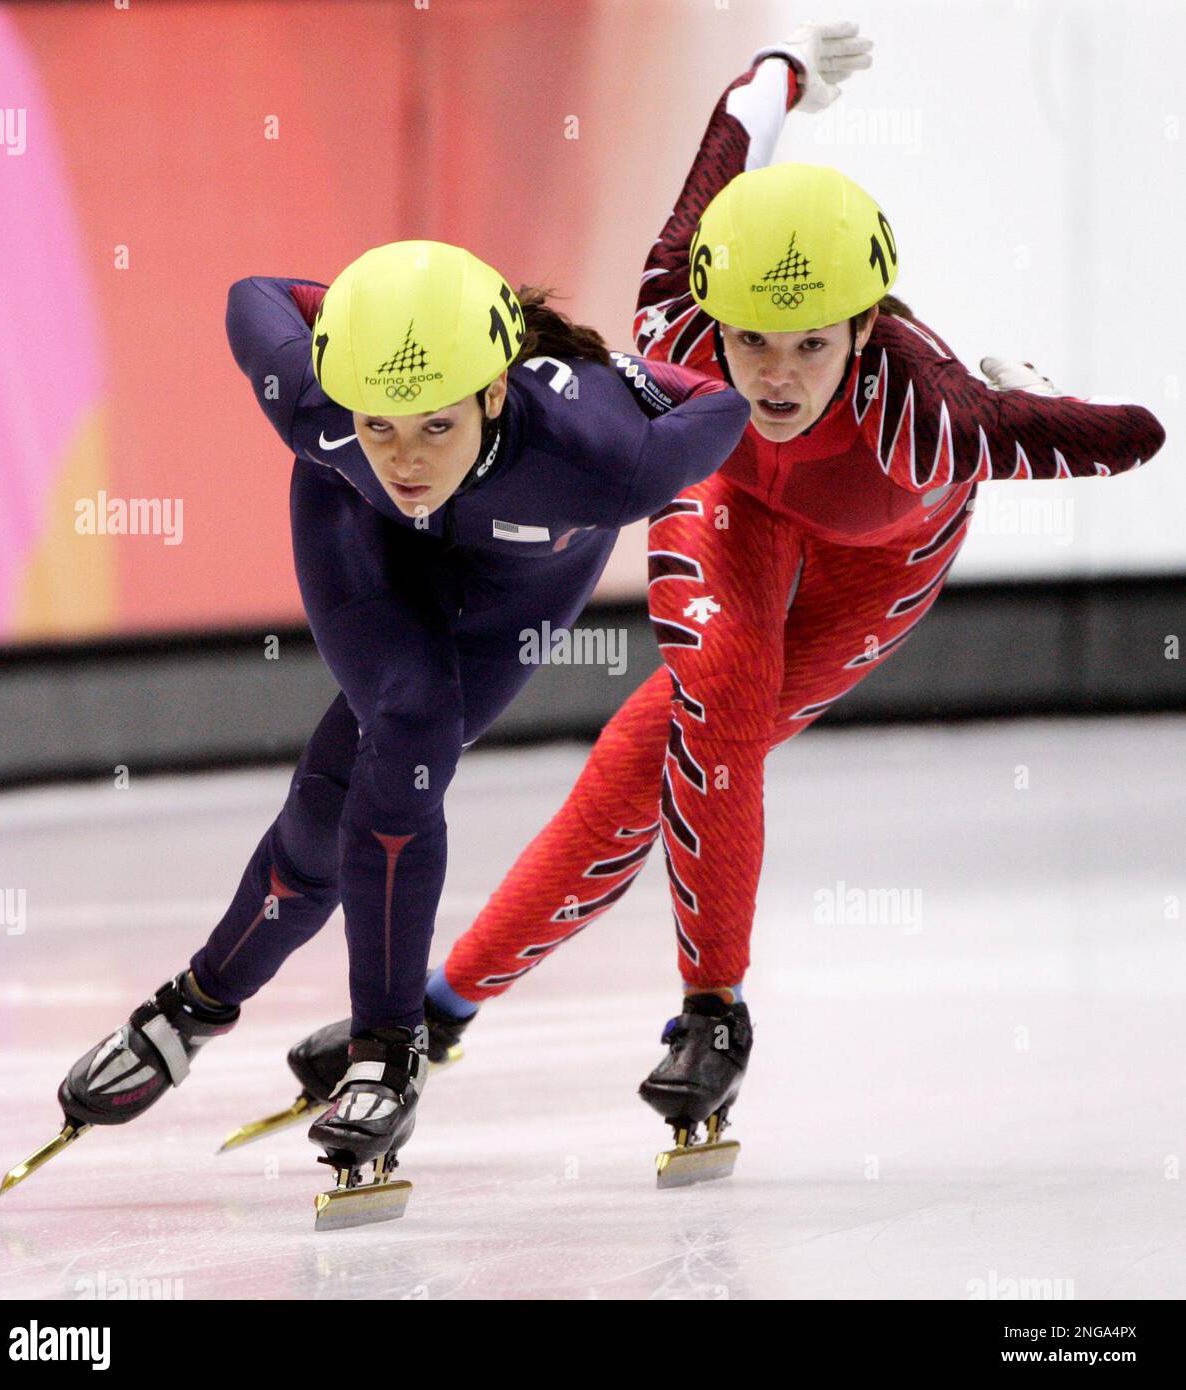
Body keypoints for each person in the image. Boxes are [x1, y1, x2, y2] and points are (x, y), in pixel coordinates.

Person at [264, 23, 1167, 1181]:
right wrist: (786, 68)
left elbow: (1129, 438)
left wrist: (1026, 407)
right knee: (713, 699)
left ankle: (597, 1012)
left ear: (865, 327)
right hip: (730, 492)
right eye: (748, 340)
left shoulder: (933, 416)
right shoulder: (673, 317)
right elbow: (727, 141)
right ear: (709, 315)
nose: (774, 377)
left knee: (659, 746)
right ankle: (606, 1017)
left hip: (877, 554)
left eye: (808, 346)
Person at [0, 240, 749, 1223]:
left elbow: (724, 403)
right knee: (403, 727)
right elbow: (253, 290)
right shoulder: (317, 404)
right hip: (364, 550)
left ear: (491, 393)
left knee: (345, 803)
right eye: (379, 424)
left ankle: (215, 1013)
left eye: (434, 425)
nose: (405, 459)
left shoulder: (607, 453)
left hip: (506, 598)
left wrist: (634, 379)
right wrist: (358, 311)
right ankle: (352, 1043)